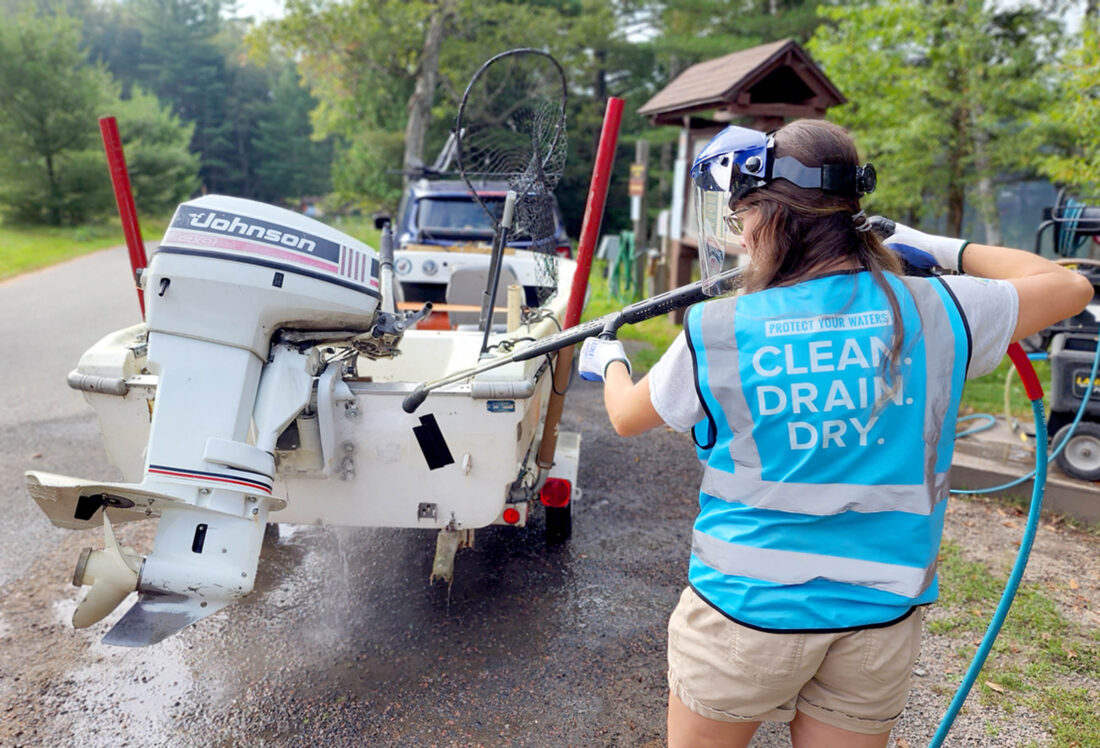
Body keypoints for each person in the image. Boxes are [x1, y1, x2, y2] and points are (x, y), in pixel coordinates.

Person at [577, 119, 1092, 748]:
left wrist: (609, 361)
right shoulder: (942, 309)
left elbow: (628, 416)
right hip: (876, 621)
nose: (739, 235)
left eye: (742, 217)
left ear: (772, 217)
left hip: (744, 616)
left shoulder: (717, 328)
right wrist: (937, 246)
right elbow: (1070, 285)